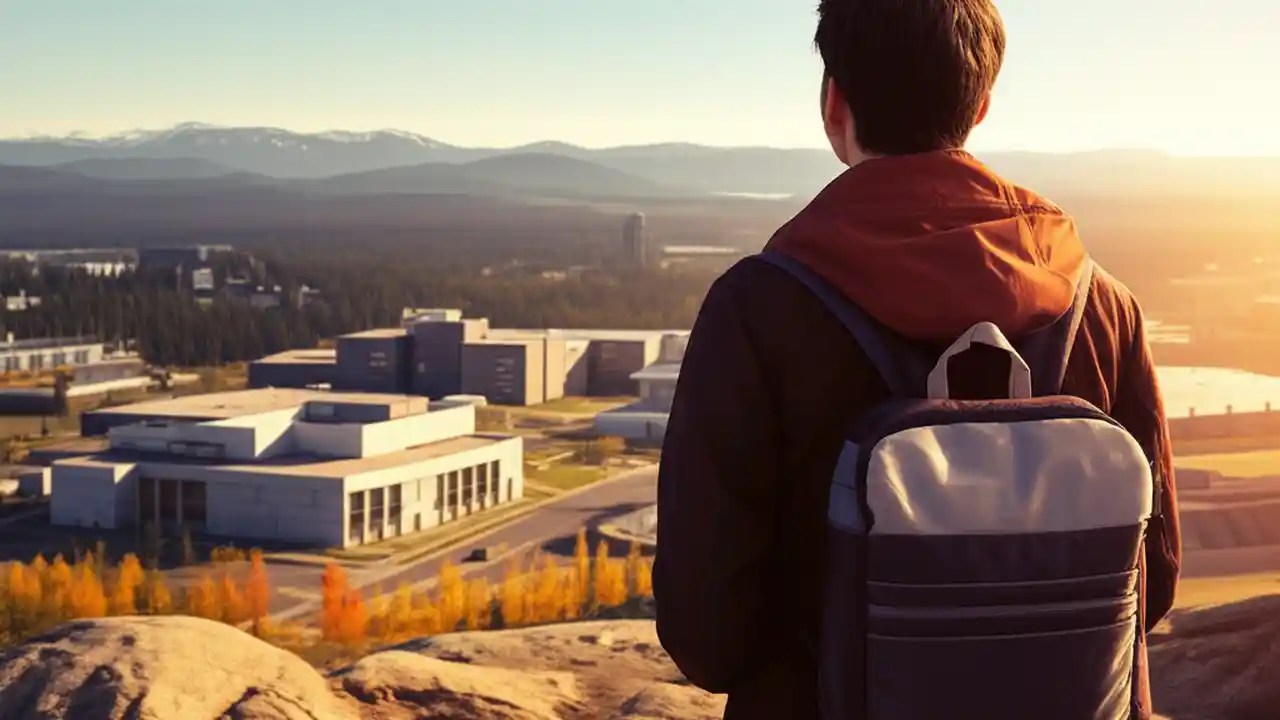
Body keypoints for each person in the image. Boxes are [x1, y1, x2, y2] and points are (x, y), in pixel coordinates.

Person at [653, 0, 1182, 718]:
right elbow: (1153, 582)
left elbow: (708, 634)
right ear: (983, 104)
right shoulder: (1104, 308)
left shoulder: (756, 310)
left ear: (833, 104)